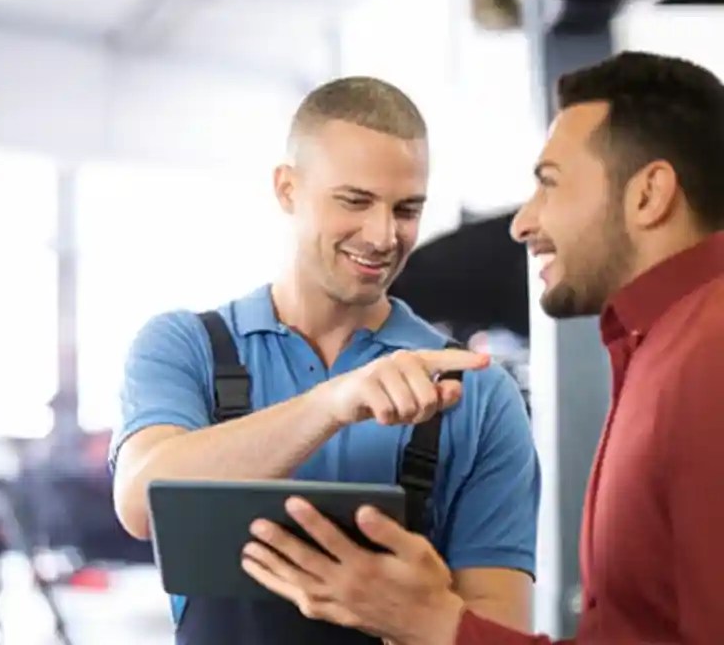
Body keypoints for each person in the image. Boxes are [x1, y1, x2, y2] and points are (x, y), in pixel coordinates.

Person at [239, 51, 724, 645]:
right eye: (353, 201)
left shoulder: (709, 355)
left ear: (649, 194)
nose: (523, 222)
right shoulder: (664, 349)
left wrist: (436, 623)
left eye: (549, 183)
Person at [108, 76, 540, 644]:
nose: (384, 235)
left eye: (406, 209)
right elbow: (144, 502)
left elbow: (502, 627)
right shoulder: (185, 346)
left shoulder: (474, 392)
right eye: (355, 201)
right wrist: (331, 404)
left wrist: (416, 610)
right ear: (287, 189)